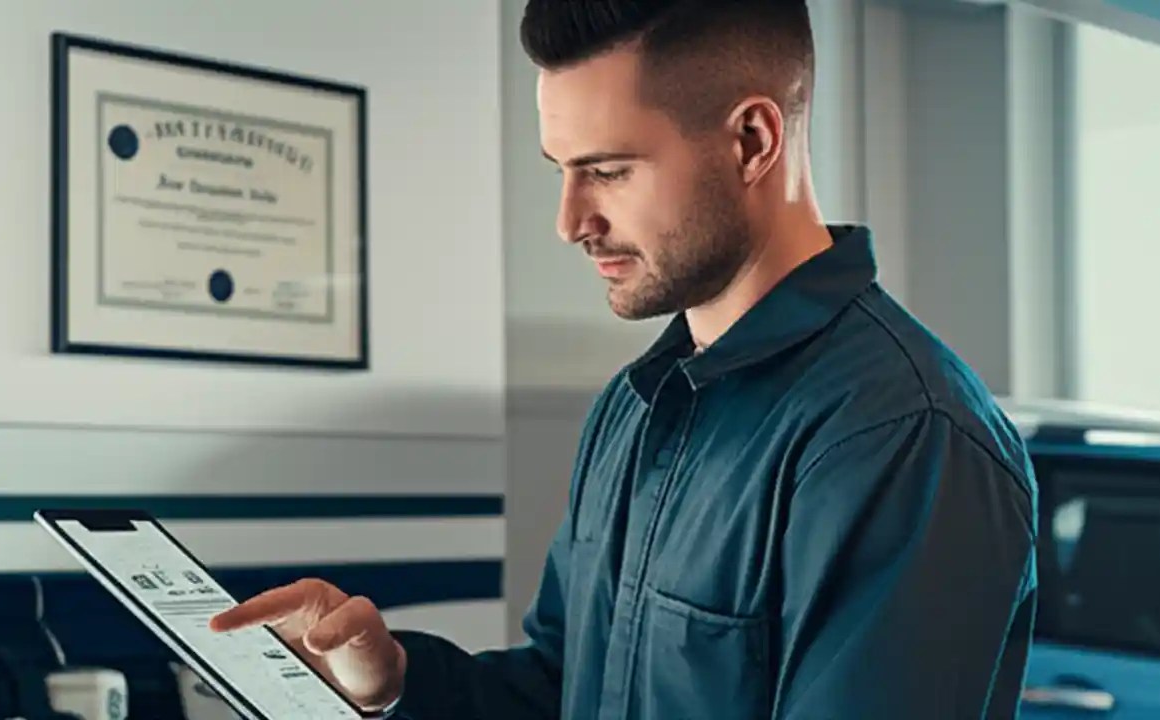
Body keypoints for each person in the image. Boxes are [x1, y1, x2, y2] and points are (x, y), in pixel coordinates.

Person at [209, 0, 1039, 717]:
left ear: (753, 140)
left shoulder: (901, 436)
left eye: (606, 171)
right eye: (562, 172)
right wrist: (391, 678)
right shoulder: (634, 406)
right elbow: (558, 690)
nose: (570, 221)